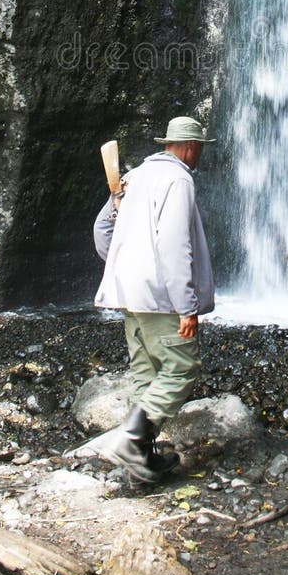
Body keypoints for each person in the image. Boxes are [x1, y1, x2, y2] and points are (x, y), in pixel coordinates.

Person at [92, 115, 215, 482]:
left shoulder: (132, 177)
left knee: (144, 371)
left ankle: (140, 461)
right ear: (190, 148)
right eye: (199, 151)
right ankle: (131, 440)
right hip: (159, 294)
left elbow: (102, 230)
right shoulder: (178, 179)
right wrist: (186, 306)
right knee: (182, 367)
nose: (198, 158)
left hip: (127, 291)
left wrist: (122, 264)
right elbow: (175, 244)